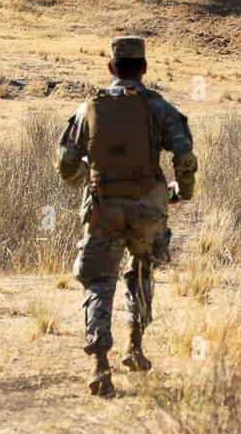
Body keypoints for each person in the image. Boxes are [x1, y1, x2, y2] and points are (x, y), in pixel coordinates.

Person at [55, 36, 198, 396]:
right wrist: (183, 191)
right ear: (144, 69)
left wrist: (86, 185)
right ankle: (136, 348)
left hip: (104, 207)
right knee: (142, 273)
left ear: (110, 68)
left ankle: (100, 366)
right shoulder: (158, 106)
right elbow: (184, 154)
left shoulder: (89, 108)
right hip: (148, 207)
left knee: (99, 281)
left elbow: (65, 164)